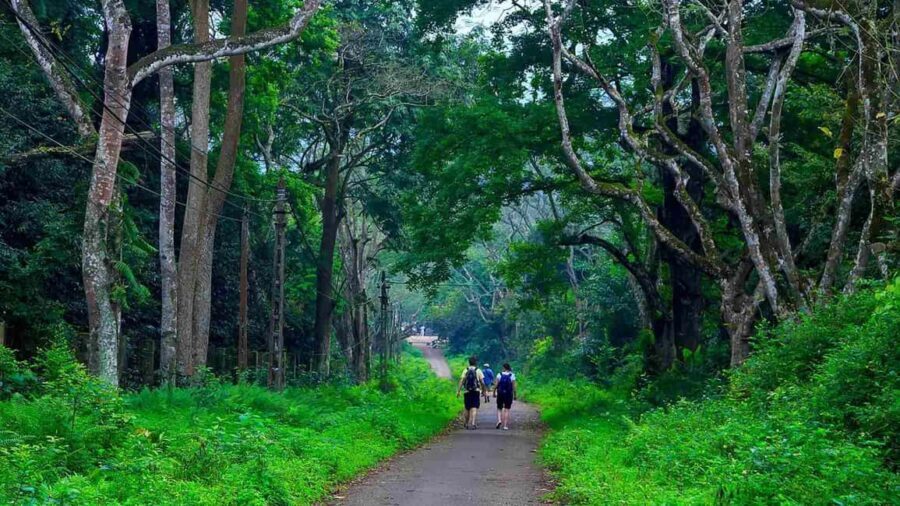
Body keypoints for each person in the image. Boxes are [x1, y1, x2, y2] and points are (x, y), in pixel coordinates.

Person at [456, 356, 485, 430]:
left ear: (469, 362)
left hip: (467, 391)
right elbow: (482, 382)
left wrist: (458, 391)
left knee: (467, 408)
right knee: (474, 407)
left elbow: (462, 381)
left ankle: (466, 423)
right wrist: (484, 390)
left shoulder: (465, 370)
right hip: (476, 391)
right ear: (476, 362)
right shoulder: (478, 370)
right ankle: (473, 423)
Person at [495, 363, 516, 430]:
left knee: (499, 408)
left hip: (500, 393)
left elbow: (496, 385)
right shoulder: (512, 375)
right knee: (507, 409)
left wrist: (493, 392)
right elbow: (514, 387)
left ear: (504, 368)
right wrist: (515, 395)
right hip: (508, 394)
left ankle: (499, 420)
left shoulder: (499, 374)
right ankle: (505, 426)